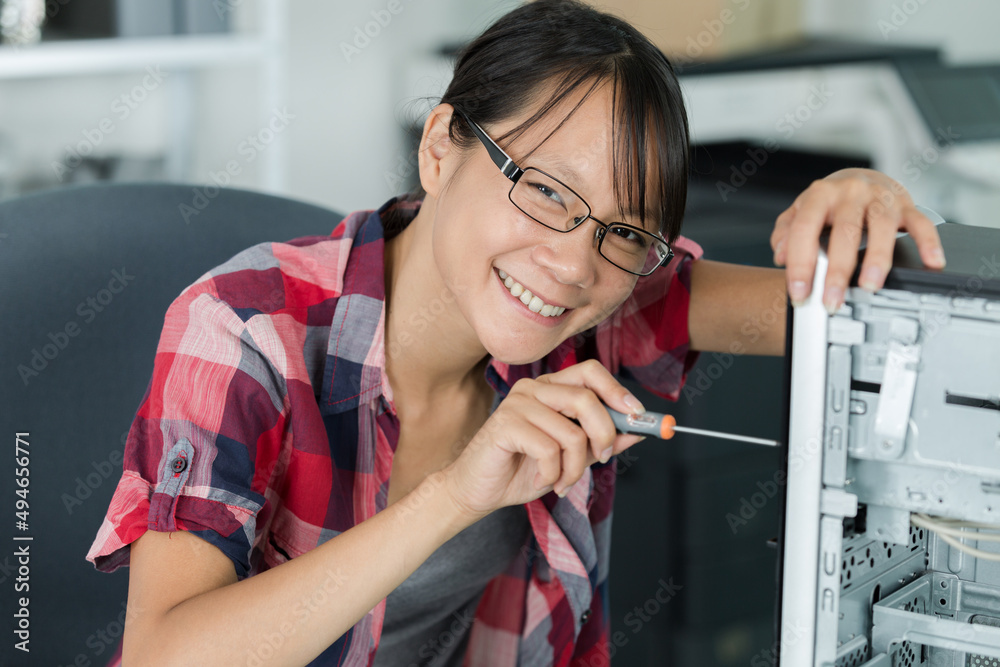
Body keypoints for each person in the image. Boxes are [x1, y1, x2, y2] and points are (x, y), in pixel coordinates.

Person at [85, 1, 946, 665]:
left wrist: (860, 202)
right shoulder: (244, 327)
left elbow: (867, 320)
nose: (573, 265)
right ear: (439, 148)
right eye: (543, 188)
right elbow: (167, 653)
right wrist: (455, 495)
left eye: (625, 230)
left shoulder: (609, 298)